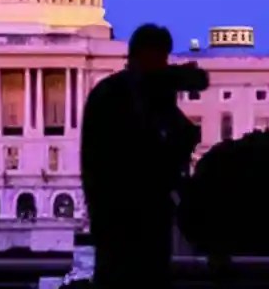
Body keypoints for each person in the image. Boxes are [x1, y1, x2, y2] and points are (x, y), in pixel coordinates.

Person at [81, 24, 200, 288]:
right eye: (161, 59)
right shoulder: (122, 96)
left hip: (130, 222)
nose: (163, 65)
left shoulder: (112, 92)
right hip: (130, 220)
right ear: (146, 56)